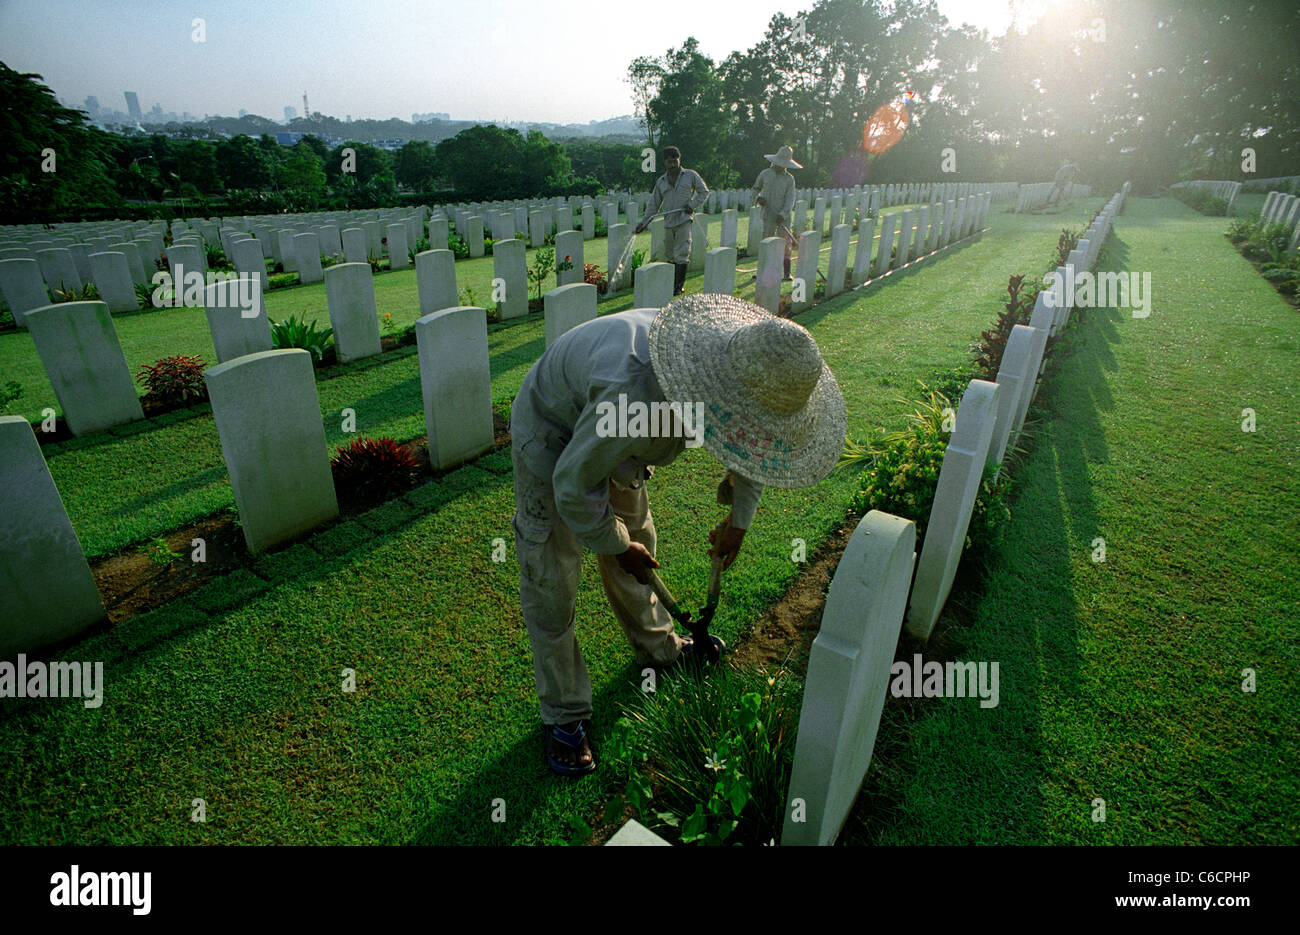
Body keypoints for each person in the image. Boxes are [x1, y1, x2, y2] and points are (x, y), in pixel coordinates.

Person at [510, 294, 847, 776]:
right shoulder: (633, 396)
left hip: (622, 440)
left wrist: (739, 521)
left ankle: (659, 646)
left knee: (640, 538)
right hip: (555, 436)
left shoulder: (746, 369)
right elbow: (573, 483)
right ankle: (564, 715)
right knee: (552, 578)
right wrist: (614, 544)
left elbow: (756, 439)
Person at [637, 146, 709, 295]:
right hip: (669, 222)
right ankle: (670, 283)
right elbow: (653, 204)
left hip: (684, 219)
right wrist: (644, 222)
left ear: (679, 159)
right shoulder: (661, 181)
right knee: (670, 254)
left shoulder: (690, 175)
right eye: (669, 162)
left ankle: (678, 286)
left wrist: (692, 205)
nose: (672, 165)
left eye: (675, 161)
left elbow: (704, 191)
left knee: (682, 253)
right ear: (665, 162)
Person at [752, 145, 802, 280]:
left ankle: (786, 273)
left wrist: (783, 214)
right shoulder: (765, 174)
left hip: (783, 217)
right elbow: (755, 188)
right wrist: (758, 198)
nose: (781, 167)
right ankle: (762, 271)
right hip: (768, 213)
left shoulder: (789, 179)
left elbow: (790, 198)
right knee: (766, 241)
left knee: (785, 244)